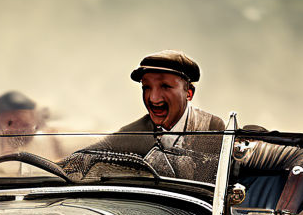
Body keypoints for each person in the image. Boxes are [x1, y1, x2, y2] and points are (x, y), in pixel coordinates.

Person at [66, 50, 224, 181]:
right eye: (146, 87)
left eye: (165, 86)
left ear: (188, 93)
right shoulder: (131, 134)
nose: (153, 98)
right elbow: (78, 161)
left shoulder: (212, 127)